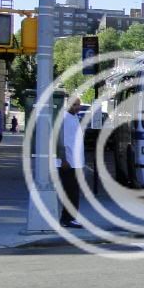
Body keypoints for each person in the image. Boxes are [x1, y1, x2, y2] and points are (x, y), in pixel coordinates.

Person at [56, 97, 85, 229]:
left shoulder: (74, 117)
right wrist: (63, 159)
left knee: (73, 191)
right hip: (67, 162)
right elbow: (58, 140)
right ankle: (68, 219)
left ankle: (67, 218)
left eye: (78, 105)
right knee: (71, 191)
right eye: (74, 105)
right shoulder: (63, 118)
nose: (77, 107)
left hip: (76, 162)